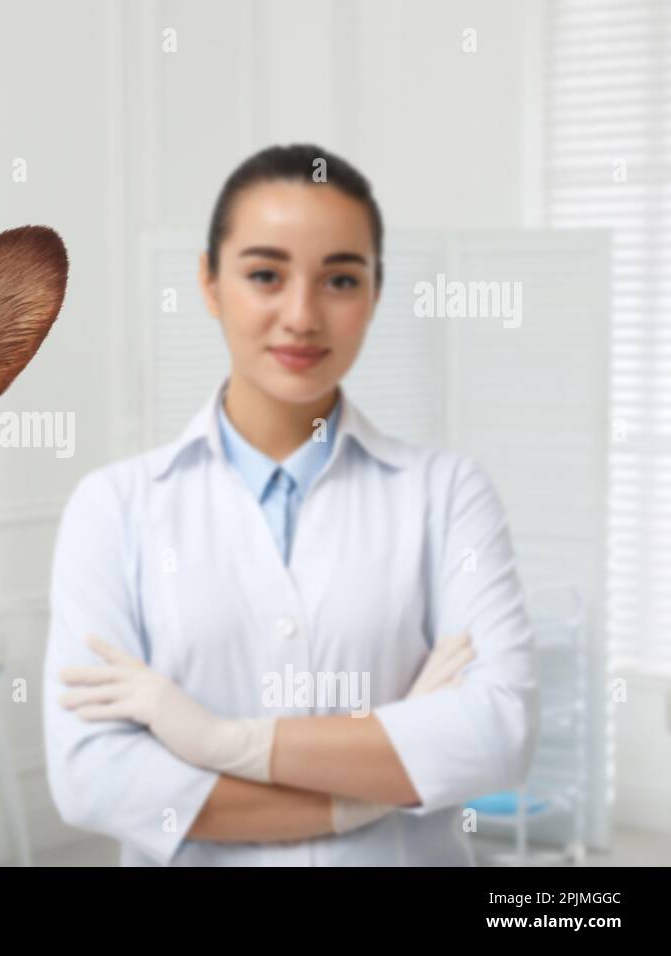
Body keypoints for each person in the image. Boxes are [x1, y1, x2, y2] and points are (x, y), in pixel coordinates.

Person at [42, 143, 539, 866]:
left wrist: (219, 741)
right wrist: (376, 780)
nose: (301, 316)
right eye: (265, 274)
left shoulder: (448, 493)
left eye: (340, 278)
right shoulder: (113, 507)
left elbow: (498, 734)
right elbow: (94, 779)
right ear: (209, 283)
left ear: (374, 293)